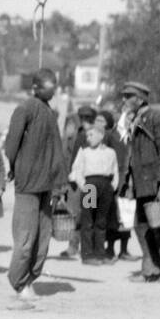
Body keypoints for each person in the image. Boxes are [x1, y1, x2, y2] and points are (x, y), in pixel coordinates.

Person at [3, 68, 67, 306]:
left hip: (47, 186)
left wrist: (60, 183)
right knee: (26, 237)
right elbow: (11, 144)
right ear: (36, 88)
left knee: (43, 239)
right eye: (49, 86)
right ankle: (19, 282)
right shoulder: (25, 109)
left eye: (54, 87)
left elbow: (57, 152)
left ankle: (30, 279)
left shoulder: (50, 113)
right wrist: (14, 167)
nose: (52, 91)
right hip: (28, 185)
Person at [118, 81, 160, 284]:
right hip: (141, 183)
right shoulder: (136, 119)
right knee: (143, 227)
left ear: (140, 99)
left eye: (128, 96)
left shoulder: (156, 118)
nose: (124, 100)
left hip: (155, 182)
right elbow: (132, 156)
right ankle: (152, 270)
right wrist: (128, 183)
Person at [70, 122, 118, 265]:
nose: (88, 138)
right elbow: (77, 170)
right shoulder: (84, 152)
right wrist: (84, 186)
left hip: (106, 186)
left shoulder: (111, 152)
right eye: (87, 135)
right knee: (88, 220)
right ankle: (87, 255)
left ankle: (100, 254)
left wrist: (112, 187)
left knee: (102, 221)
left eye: (91, 135)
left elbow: (115, 171)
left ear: (101, 136)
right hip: (90, 185)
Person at [57, 105, 98, 259]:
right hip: (74, 180)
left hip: (90, 180)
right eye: (83, 118)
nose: (85, 121)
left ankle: (88, 247)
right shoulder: (74, 135)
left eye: (88, 118)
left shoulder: (96, 135)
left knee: (89, 213)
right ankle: (73, 246)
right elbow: (67, 156)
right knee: (74, 213)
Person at [96, 109, 133, 261]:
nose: (131, 121)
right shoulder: (111, 136)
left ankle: (124, 250)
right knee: (112, 215)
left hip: (128, 179)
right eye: (128, 119)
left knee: (126, 214)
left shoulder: (132, 136)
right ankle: (110, 248)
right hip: (115, 179)